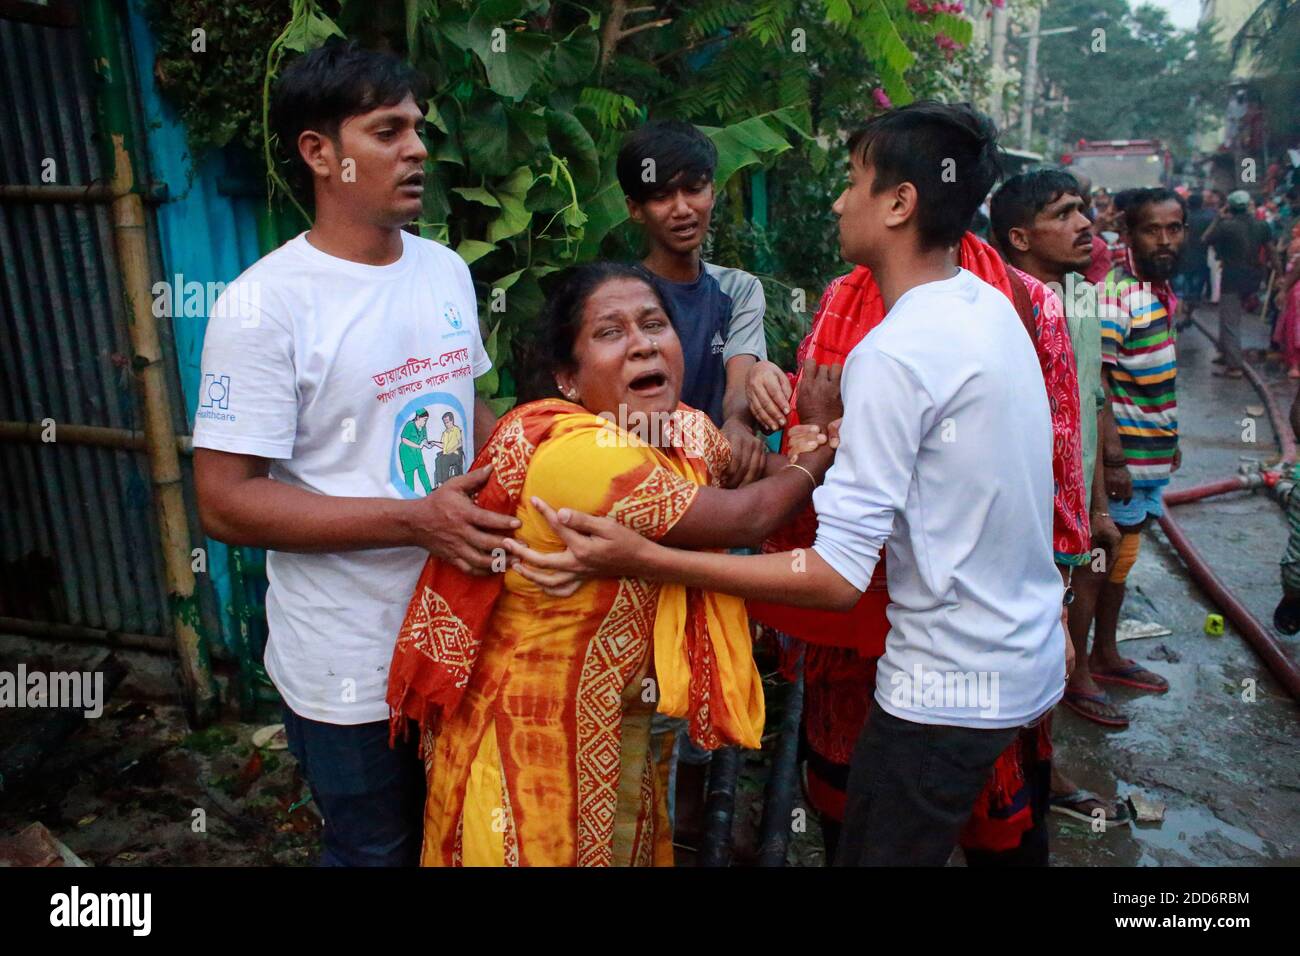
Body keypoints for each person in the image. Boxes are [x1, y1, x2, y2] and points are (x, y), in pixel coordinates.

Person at [509, 103, 1071, 867]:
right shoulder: (991, 309)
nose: (839, 201)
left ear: (900, 204)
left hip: (946, 681)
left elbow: (837, 576)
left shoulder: (896, 350)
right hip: (1018, 654)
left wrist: (644, 560)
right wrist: (817, 449)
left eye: (854, 183)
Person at [385, 262, 843, 866]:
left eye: (654, 324)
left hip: (619, 734)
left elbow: (758, 481)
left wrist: (801, 440)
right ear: (568, 380)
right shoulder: (577, 454)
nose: (643, 343)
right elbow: (748, 517)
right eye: (610, 333)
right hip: (527, 745)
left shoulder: (684, 431)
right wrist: (826, 445)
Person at [192, 42, 518, 867]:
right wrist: (415, 521)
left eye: (417, 128)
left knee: (467, 836)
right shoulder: (263, 307)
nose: (416, 149)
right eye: (387, 131)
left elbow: (465, 408)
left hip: (464, 625)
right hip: (350, 666)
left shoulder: (443, 271)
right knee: (378, 852)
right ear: (319, 153)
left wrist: (557, 459)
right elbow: (226, 501)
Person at [616, 119, 772, 843]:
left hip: (716, 507)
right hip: (638, 509)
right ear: (633, 209)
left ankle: (691, 828)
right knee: (646, 683)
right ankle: (649, 830)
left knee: (711, 664)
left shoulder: (737, 289)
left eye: (695, 188)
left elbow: (739, 380)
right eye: (661, 195)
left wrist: (739, 423)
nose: (681, 207)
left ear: (715, 192)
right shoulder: (618, 296)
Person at [989, 169, 1130, 827]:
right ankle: (1017, 777)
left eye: (1084, 210)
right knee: (1019, 647)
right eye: (1065, 214)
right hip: (1016, 513)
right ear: (1019, 236)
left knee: (1052, 648)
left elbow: (1089, 408)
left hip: (1068, 515)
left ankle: (1035, 766)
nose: (1085, 224)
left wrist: (1098, 508)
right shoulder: (998, 307)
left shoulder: (1080, 299)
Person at [1092, 188, 1187, 699]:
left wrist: (1172, 437)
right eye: (1153, 230)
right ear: (1127, 234)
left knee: (1123, 559)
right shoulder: (1117, 297)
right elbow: (1098, 384)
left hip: (1148, 461)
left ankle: (1103, 652)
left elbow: (1155, 378)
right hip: (1124, 466)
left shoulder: (1160, 293)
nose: (1165, 240)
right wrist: (1113, 462)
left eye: (1174, 228)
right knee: (1102, 563)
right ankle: (1093, 658)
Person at [1203, 190, 1260, 377]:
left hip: (1232, 277)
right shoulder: (1261, 225)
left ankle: (1234, 365)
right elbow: (1271, 251)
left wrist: (1218, 218)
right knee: (1227, 318)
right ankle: (1225, 352)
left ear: (1230, 206)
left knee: (1230, 321)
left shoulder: (1227, 226)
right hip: (1254, 275)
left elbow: (1205, 239)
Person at [1180, 192, 1214, 323]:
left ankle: (1186, 304)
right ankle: (1192, 304)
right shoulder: (1209, 217)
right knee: (1198, 282)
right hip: (1202, 254)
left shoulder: (1183, 217)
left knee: (1186, 281)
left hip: (1184, 255)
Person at [1272, 224, 1300, 378]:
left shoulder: (1295, 246)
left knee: (1293, 326)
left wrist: (1283, 288)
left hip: (1296, 293)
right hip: (1294, 291)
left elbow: (1295, 269)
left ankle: (1295, 364)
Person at [432, 411, 464, 486]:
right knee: (438, 459)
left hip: (455, 454)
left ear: (452, 420)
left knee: (445, 460)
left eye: (447, 422)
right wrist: (434, 443)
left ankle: (445, 483)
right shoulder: (444, 433)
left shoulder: (456, 429)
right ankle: (440, 483)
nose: (446, 424)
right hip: (446, 454)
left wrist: (452, 450)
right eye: (444, 422)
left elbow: (460, 443)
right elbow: (443, 445)